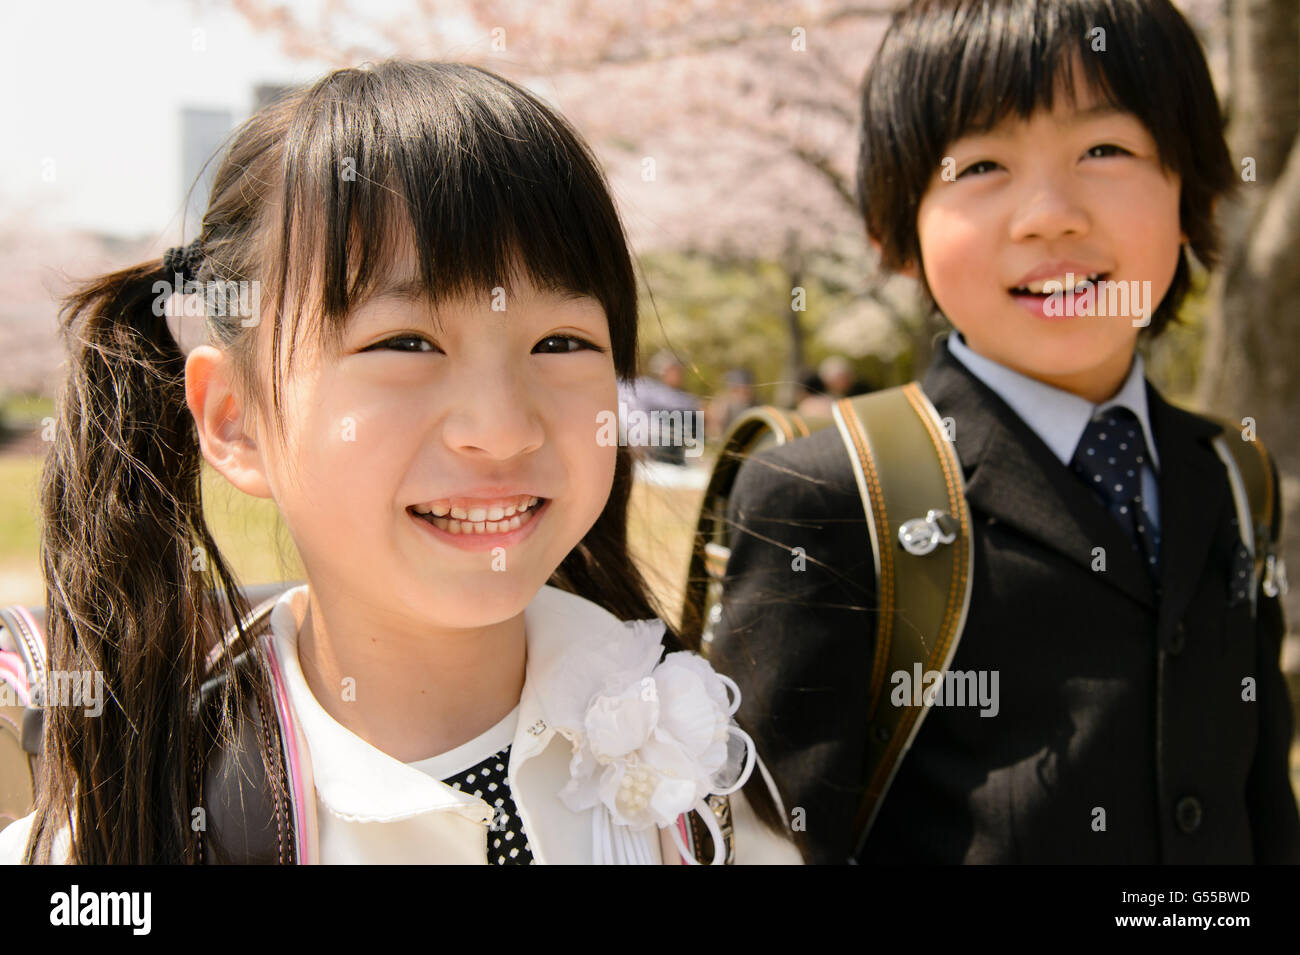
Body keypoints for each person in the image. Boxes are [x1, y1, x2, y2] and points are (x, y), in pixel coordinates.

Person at [0, 60, 798, 865]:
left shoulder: (698, 778)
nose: (502, 429)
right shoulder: (129, 831)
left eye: (562, 342)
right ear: (235, 419)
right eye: (405, 343)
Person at [708, 0, 1300, 864]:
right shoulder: (835, 493)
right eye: (981, 164)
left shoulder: (1233, 476)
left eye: (1106, 149)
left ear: (1192, 191)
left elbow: (1262, 803)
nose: (1049, 215)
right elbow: (769, 844)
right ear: (896, 230)